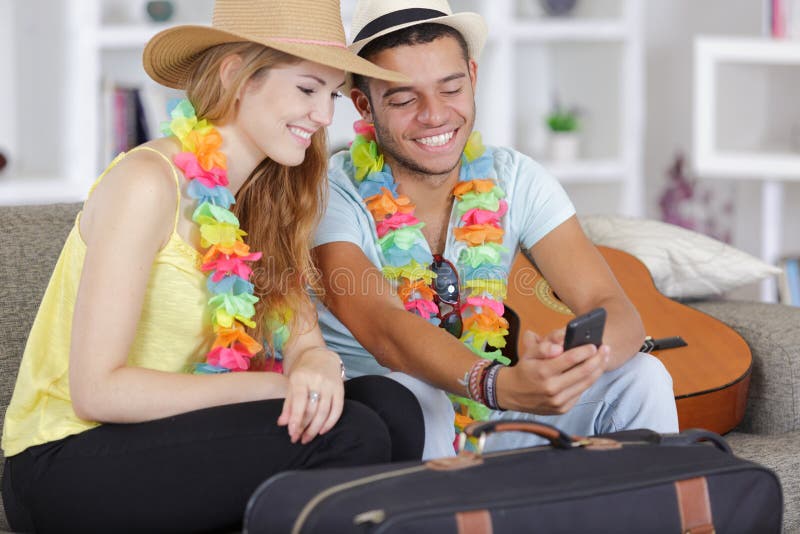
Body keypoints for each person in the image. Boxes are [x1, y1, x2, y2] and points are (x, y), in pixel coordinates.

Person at [1, 1, 425, 531]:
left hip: (178, 437)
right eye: (307, 89)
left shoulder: (269, 194)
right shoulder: (147, 183)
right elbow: (98, 390)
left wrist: (314, 362)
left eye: (332, 95)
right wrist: (276, 387)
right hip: (67, 459)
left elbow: (302, 341)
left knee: (390, 406)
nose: (324, 117)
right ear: (237, 76)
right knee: (350, 431)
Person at [313, 0, 679, 459]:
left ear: (473, 76)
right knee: (417, 395)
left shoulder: (516, 177)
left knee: (643, 377)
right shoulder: (329, 193)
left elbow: (611, 307)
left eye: (451, 88)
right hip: (390, 418)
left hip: (489, 413)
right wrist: (495, 383)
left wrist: (573, 364)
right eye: (405, 99)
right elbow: (386, 329)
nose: (434, 115)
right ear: (364, 104)